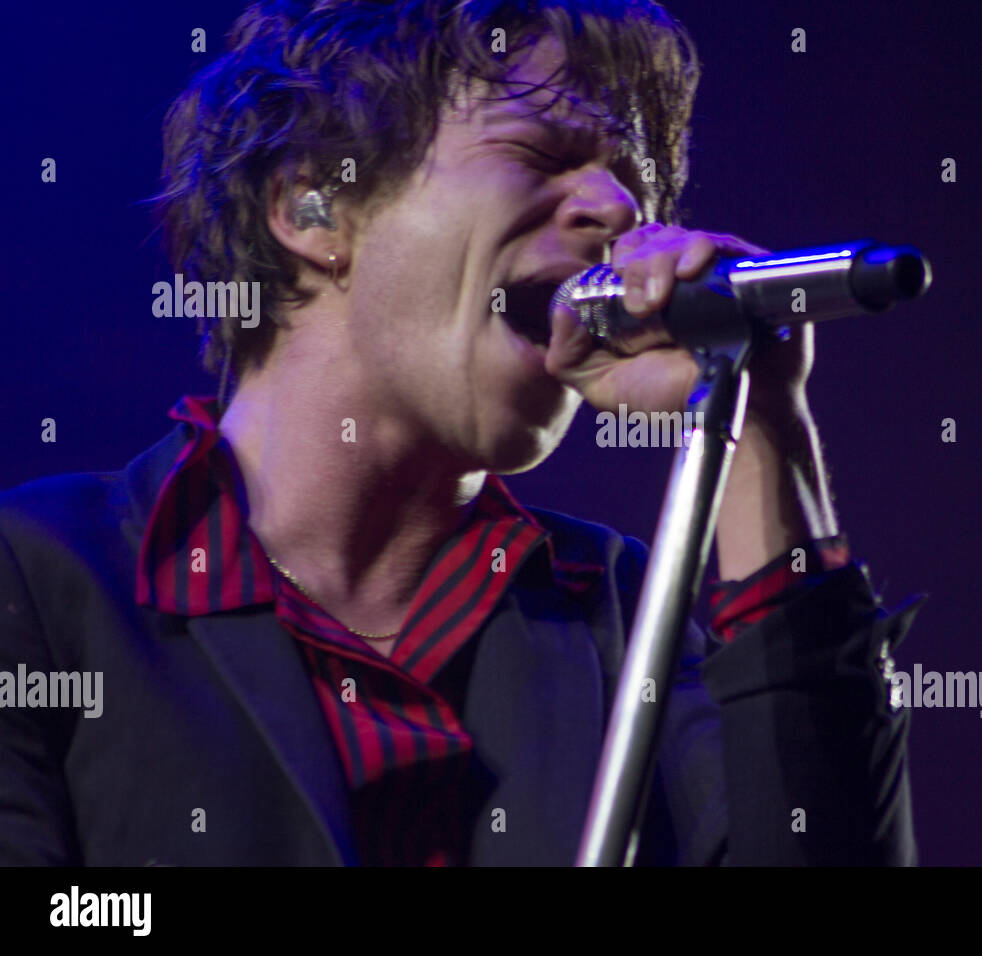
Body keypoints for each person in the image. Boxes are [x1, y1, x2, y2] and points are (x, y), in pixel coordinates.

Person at [0, 0, 925, 866]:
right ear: (312, 204)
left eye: (636, 183)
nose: (619, 212)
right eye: (541, 151)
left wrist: (759, 415)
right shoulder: (44, 580)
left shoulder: (637, 618)